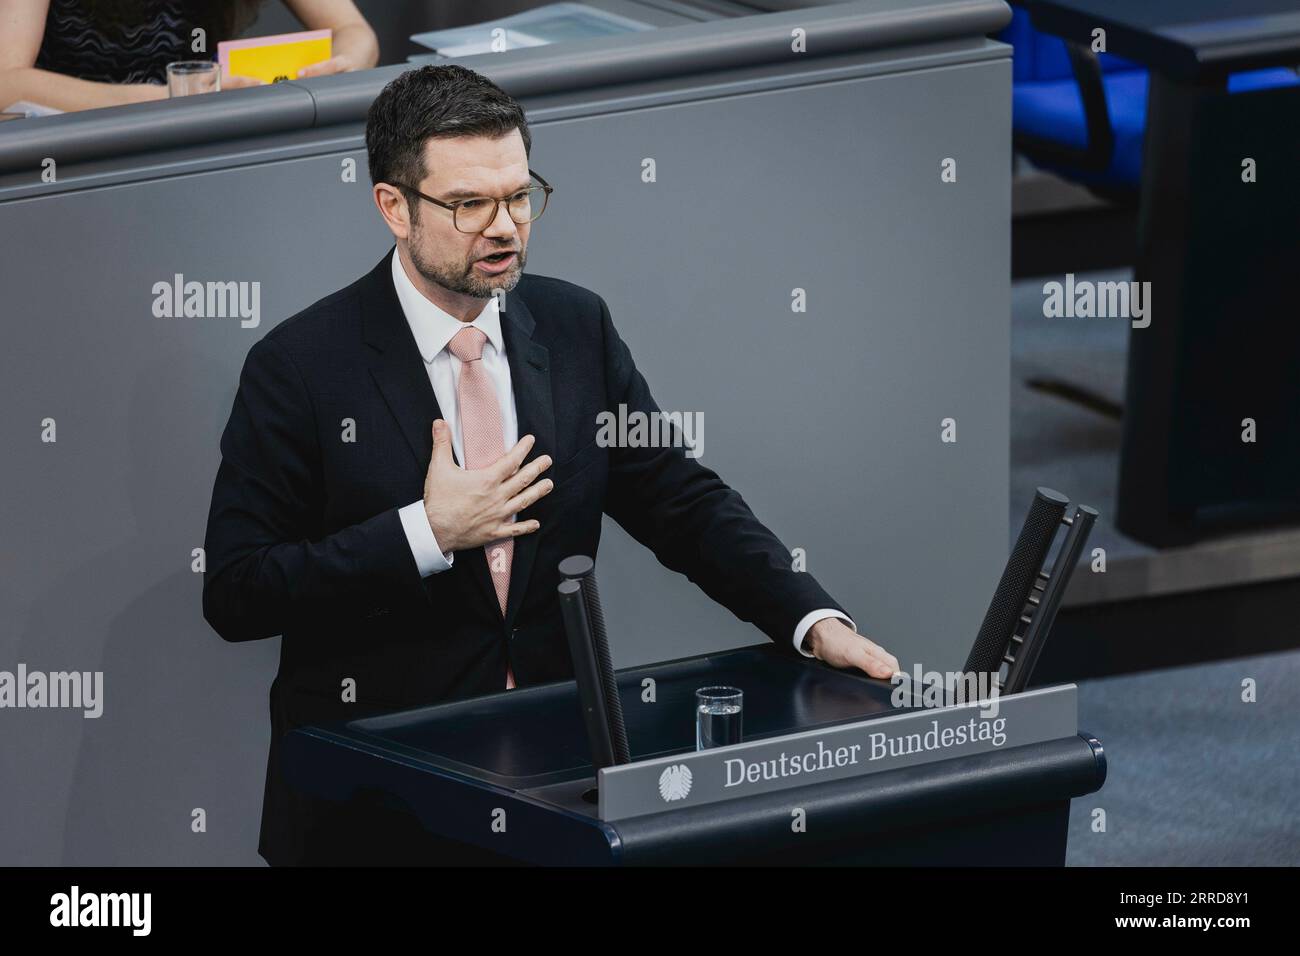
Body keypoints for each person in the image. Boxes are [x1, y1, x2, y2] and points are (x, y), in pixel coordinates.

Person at [201, 63, 901, 866]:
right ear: (393, 207)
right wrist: (426, 534)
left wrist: (811, 621)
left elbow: (680, 500)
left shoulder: (574, 328)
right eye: (468, 204)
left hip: (553, 784)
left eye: (518, 196)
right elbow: (238, 591)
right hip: (375, 797)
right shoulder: (300, 366)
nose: (504, 227)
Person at [0, 0, 378, 113]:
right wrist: (166, 97)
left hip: (193, 133)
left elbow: (356, 33)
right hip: (68, 151)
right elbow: (6, 81)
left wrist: (339, 67)